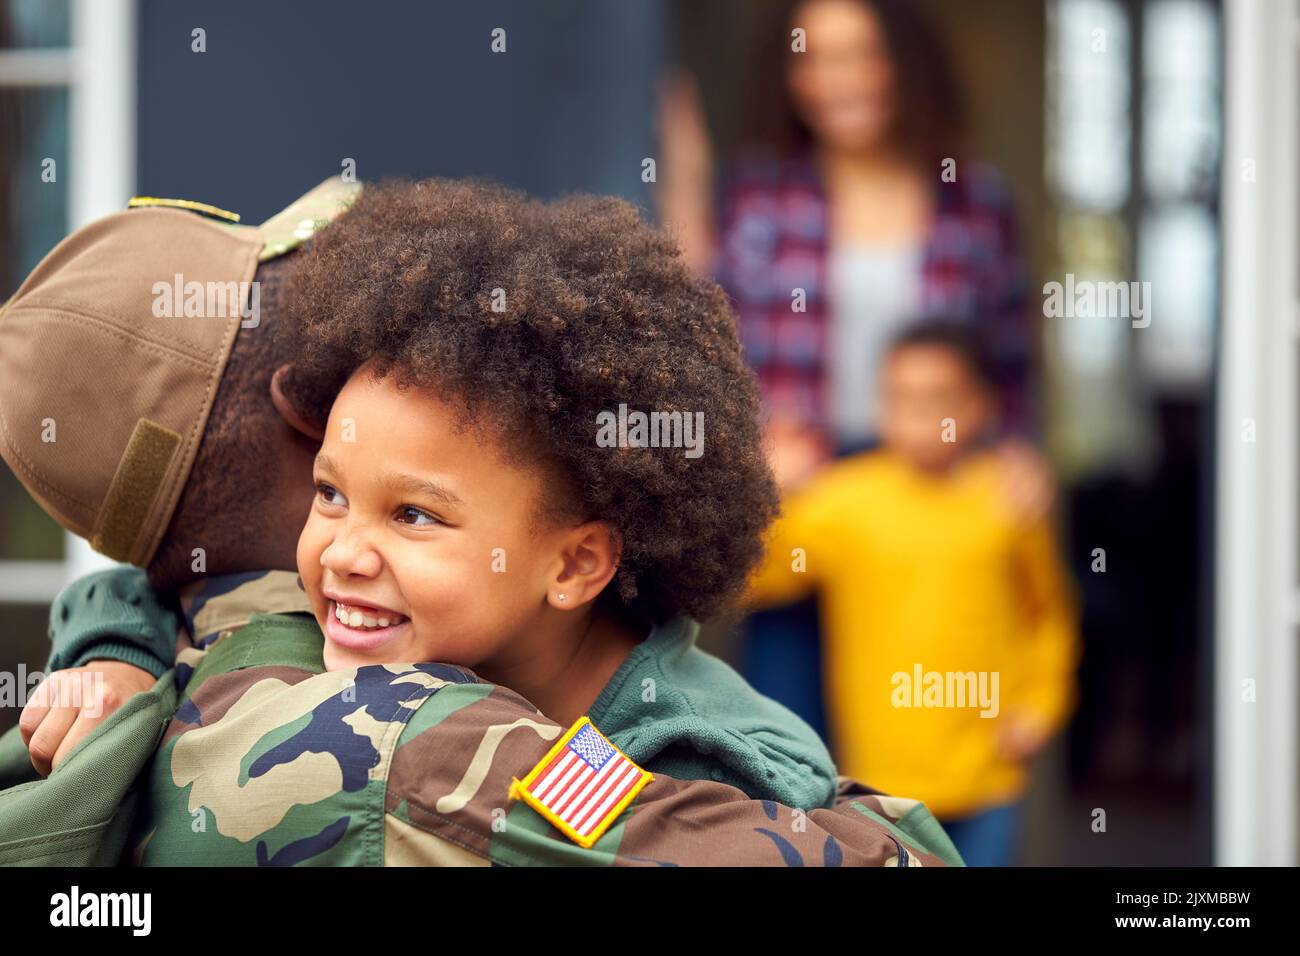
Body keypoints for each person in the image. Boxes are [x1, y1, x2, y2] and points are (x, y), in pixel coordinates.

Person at [0, 177, 962, 866]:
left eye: (414, 515)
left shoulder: (693, 750)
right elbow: (135, 586)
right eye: (329, 494)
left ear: (576, 562)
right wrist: (111, 653)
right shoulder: (370, 606)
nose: (340, 552)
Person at [656, 0, 1053, 732]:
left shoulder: (974, 202)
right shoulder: (761, 194)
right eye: (814, 56)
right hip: (807, 485)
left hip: (936, 482)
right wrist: (749, 452)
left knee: (925, 731)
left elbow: (1008, 362)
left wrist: (1022, 454)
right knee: (790, 732)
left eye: (861, 54)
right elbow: (705, 334)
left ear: (903, 63)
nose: (837, 79)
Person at [747, 322, 1080, 866]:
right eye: (900, 399)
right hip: (881, 782)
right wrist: (771, 488)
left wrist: (1040, 707)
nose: (919, 417)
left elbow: (1047, 612)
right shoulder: (844, 500)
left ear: (981, 407)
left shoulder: (1009, 499)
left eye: (938, 399)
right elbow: (752, 580)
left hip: (989, 772)